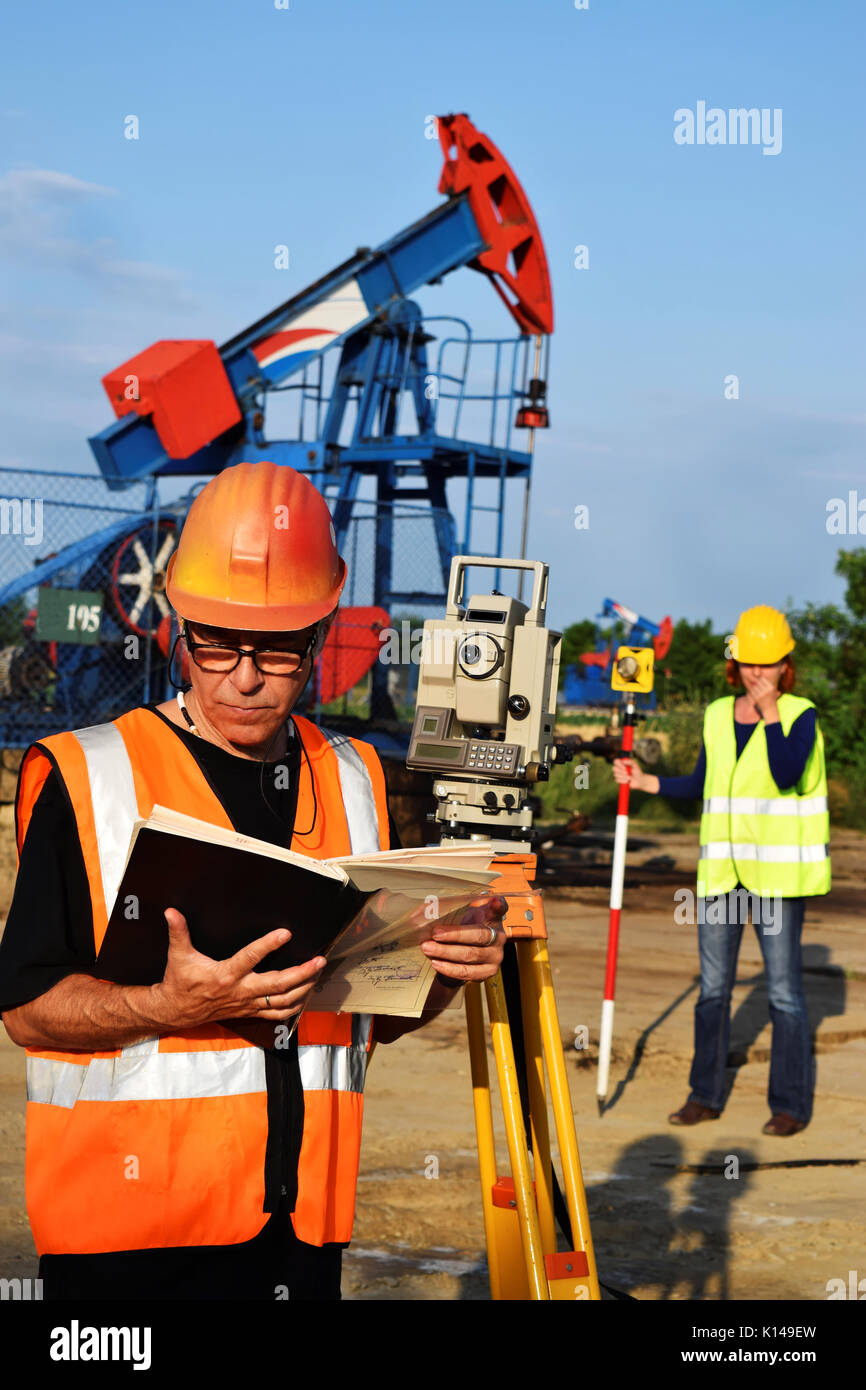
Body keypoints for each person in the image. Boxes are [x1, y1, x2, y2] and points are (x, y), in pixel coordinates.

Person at [0, 461, 507, 1300]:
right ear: (176, 625)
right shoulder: (88, 777)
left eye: (276, 649)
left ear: (318, 637)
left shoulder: (355, 778)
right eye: (215, 644)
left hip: (301, 1233)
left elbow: (364, 1025)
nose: (242, 676)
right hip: (125, 1246)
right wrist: (166, 1007)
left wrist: (443, 972)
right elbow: (24, 1010)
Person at [613, 605, 830, 1137]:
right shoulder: (716, 714)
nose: (758, 675)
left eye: (769, 666)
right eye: (750, 665)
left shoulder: (801, 715)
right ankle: (704, 1096)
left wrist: (771, 710)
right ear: (736, 664)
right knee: (714, 991)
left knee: (783, 995)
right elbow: (701, 784)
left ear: (786, 666)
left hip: (777, 881)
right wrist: (649, 784)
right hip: (721, 879)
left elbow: (784, 774)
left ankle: (789, 1106)